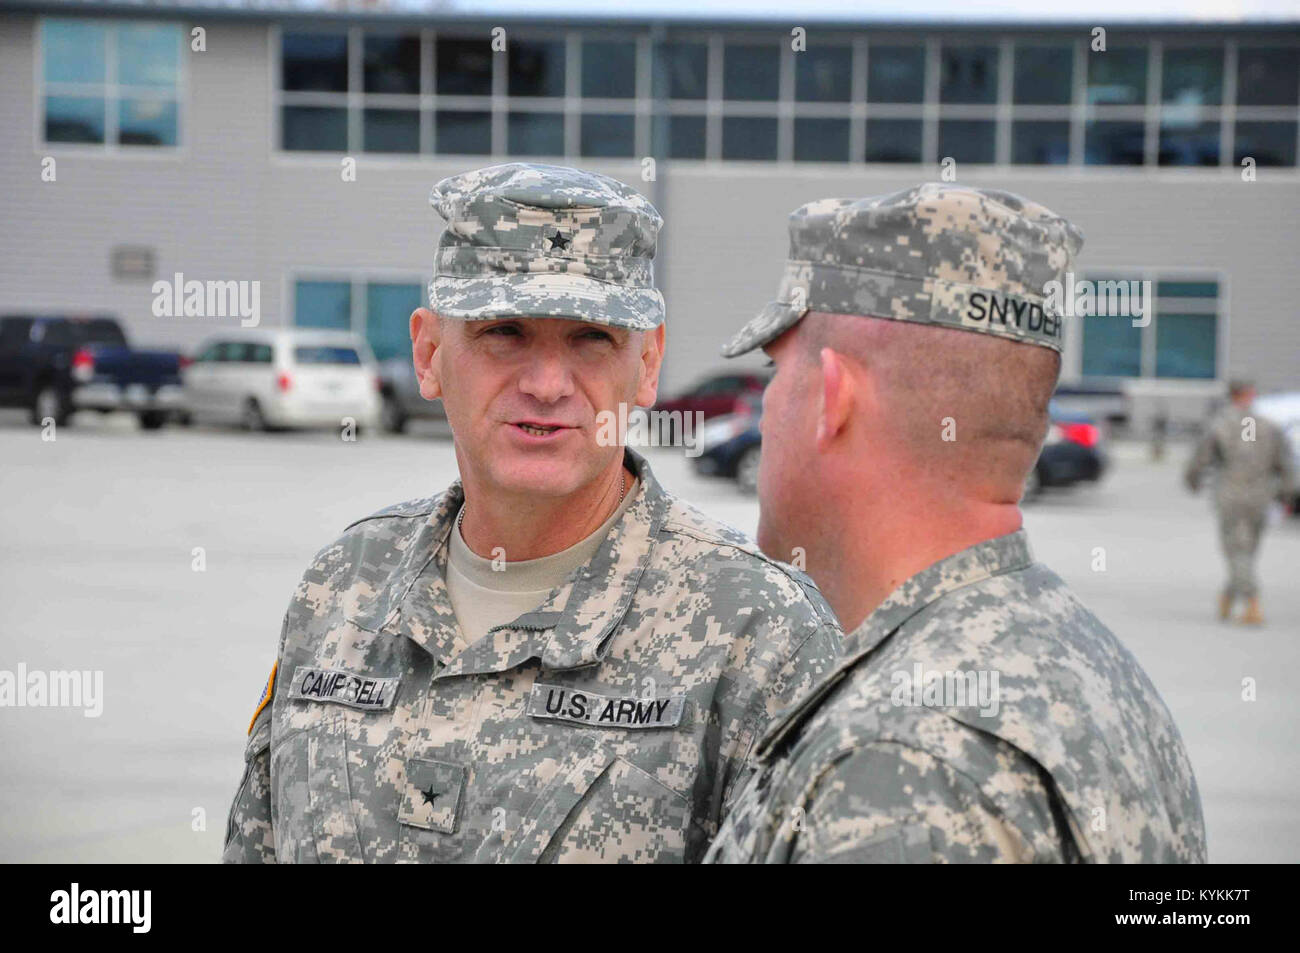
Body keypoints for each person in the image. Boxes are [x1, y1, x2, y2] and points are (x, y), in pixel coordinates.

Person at [222, 163, 841, 864]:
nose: (548, 384)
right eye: (505, 331)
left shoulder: (757, 633)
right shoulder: (343, 587)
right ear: (428, 353)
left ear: (647, 364)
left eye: (591, 338)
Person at [704, 184, 1207, 863]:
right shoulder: (1089, 663)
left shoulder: (896, 762)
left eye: (774, 370)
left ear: (833, 396)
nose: (763, 408)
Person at [1185, 380, 1295, 624]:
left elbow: (1201, 457)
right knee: (1247, 550)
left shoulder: (1221, 425)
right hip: (1260, 497)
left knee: (1237, 550)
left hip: (1231, 495)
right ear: (1251, 395)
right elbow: (1285, 463)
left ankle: (1250, 601)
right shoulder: (1268, 426)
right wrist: (1287, 492)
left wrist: (1192, 479)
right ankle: (1231, 595)